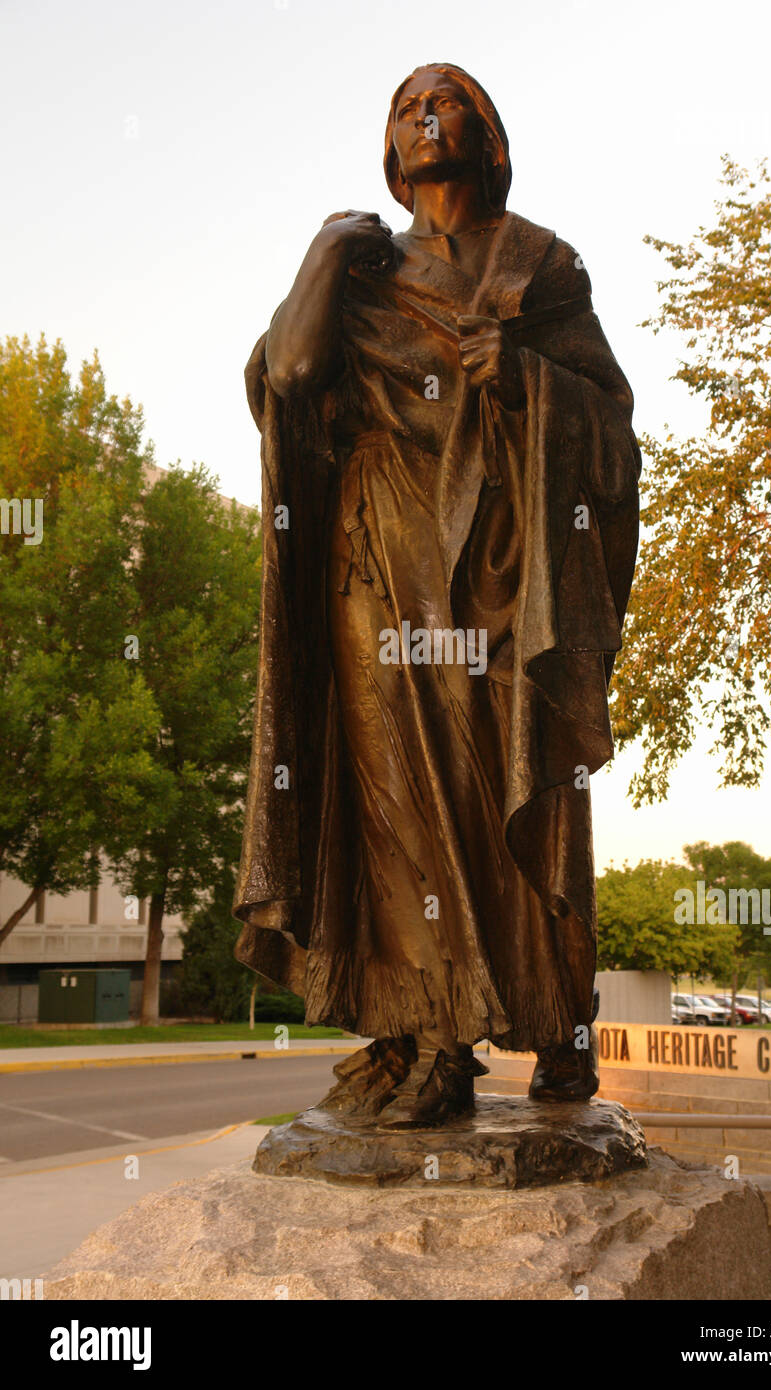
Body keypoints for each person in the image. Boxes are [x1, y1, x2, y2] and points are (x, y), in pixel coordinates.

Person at [233, 63, 640, 1126]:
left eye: (445, 96)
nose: (423, 111)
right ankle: (414, 1023)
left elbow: (610, 423)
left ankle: (533, 1024)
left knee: (498, 788)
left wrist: (526, 381)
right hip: (375, 562)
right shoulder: (360, 271)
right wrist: (323, 251)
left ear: (488, 135)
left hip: (499, 573)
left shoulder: (540, 266)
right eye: (404, 103)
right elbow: (287, 374)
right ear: (387, 150)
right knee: (388, 802)